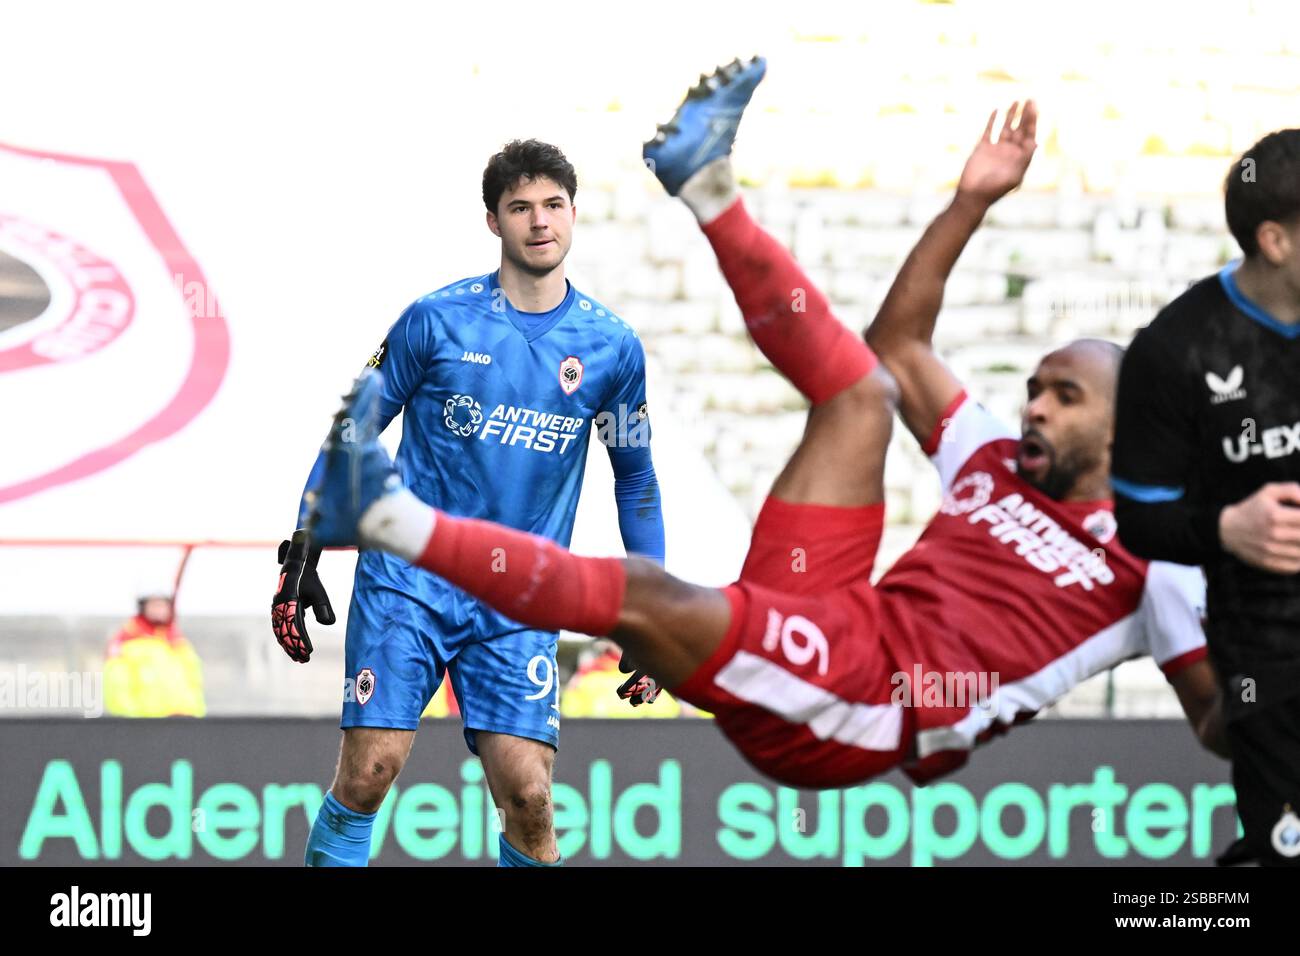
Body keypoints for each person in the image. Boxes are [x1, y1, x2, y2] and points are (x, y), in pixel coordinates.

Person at [304, 58, 1224, 797]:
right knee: (861, 396)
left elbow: (1217, 720)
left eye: (1063, 396)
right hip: (844, 610)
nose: (1033, 405)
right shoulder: (999, 465)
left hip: (865, 704)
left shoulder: (1166, 556)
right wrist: (971, 202)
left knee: (639, 599)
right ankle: (706, 182)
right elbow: (896, 348)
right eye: (1033, 387)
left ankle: (388, 521)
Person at [275, 139, 665, 867]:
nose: (539, 222)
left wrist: (653, 612)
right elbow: (353, 427)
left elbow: (636, 480)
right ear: (494, 221)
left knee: (532, 800)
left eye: (553, 205)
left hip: (519, 596)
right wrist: (305, 542)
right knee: (370, 772)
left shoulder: (612, 349)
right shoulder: (436, 320)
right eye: (521, 207)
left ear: (574, 215)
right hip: (409, 582)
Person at [1112, 128, 1300, 866]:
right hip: (1269, 655)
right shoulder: (1175, 350)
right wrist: (1226, 526)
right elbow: (1141, 518)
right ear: (1275, 241)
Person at [104, 590, 205, 718]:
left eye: (163, 605)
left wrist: (195, 715)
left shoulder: (180, 644)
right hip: (146, 726)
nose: (160, 610)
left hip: (183, 722)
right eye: (155, 605)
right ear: (143, 607)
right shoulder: (126, 644)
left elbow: (195, 683)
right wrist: (132, 722)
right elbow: (117, 687)